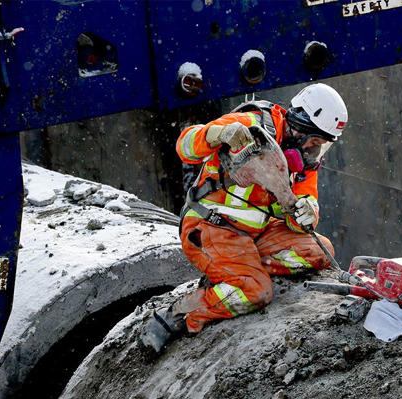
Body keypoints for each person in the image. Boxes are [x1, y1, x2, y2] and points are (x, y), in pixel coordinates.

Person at [140, 83, 348, 355]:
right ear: (298, 125)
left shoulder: (302, 163)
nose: (313, 151)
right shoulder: (250, 125)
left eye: (320, 146)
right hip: (211, 227)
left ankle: (236, 270)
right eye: (313, 142)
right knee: (256, 292)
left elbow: (305, 214)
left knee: (319, 251)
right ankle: (181, 313)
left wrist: (307, 210)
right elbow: (185, 146)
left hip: (254, 234)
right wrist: (218, 134)